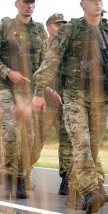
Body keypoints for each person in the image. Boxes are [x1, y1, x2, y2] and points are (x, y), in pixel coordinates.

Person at [32, 0, 108, 214]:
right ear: (82, 4)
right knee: (82, 143)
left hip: (100, 98)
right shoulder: (70, 30)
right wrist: (39, 93)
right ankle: (91, 192)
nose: (98, 3)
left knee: (93, 149)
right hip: (75, 94)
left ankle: (76, 196)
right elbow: (51, 61)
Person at [0, 0, 47, 199]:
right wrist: (8, 72)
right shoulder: (4, 26)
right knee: (10, 132)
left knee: (28, 137)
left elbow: (46, 65)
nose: (29, 5)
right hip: (6, 89)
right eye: (25, 2)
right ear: (16, 4)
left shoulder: (40, 31)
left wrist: (40, 92)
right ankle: (9, 179)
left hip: (29, 92)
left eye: (32, 2)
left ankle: (22, 177)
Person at [39, 13, 72, 196]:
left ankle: (66, 179)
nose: (61, 28)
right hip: (46, 101)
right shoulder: (42, 47)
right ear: (49, 27)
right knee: (37, 140)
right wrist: (47, 92)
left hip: (64, 100)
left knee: (67, 140)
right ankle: (21, 175)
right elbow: (34, 73)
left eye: (63, 25)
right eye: (58, 25)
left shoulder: (66, 47)